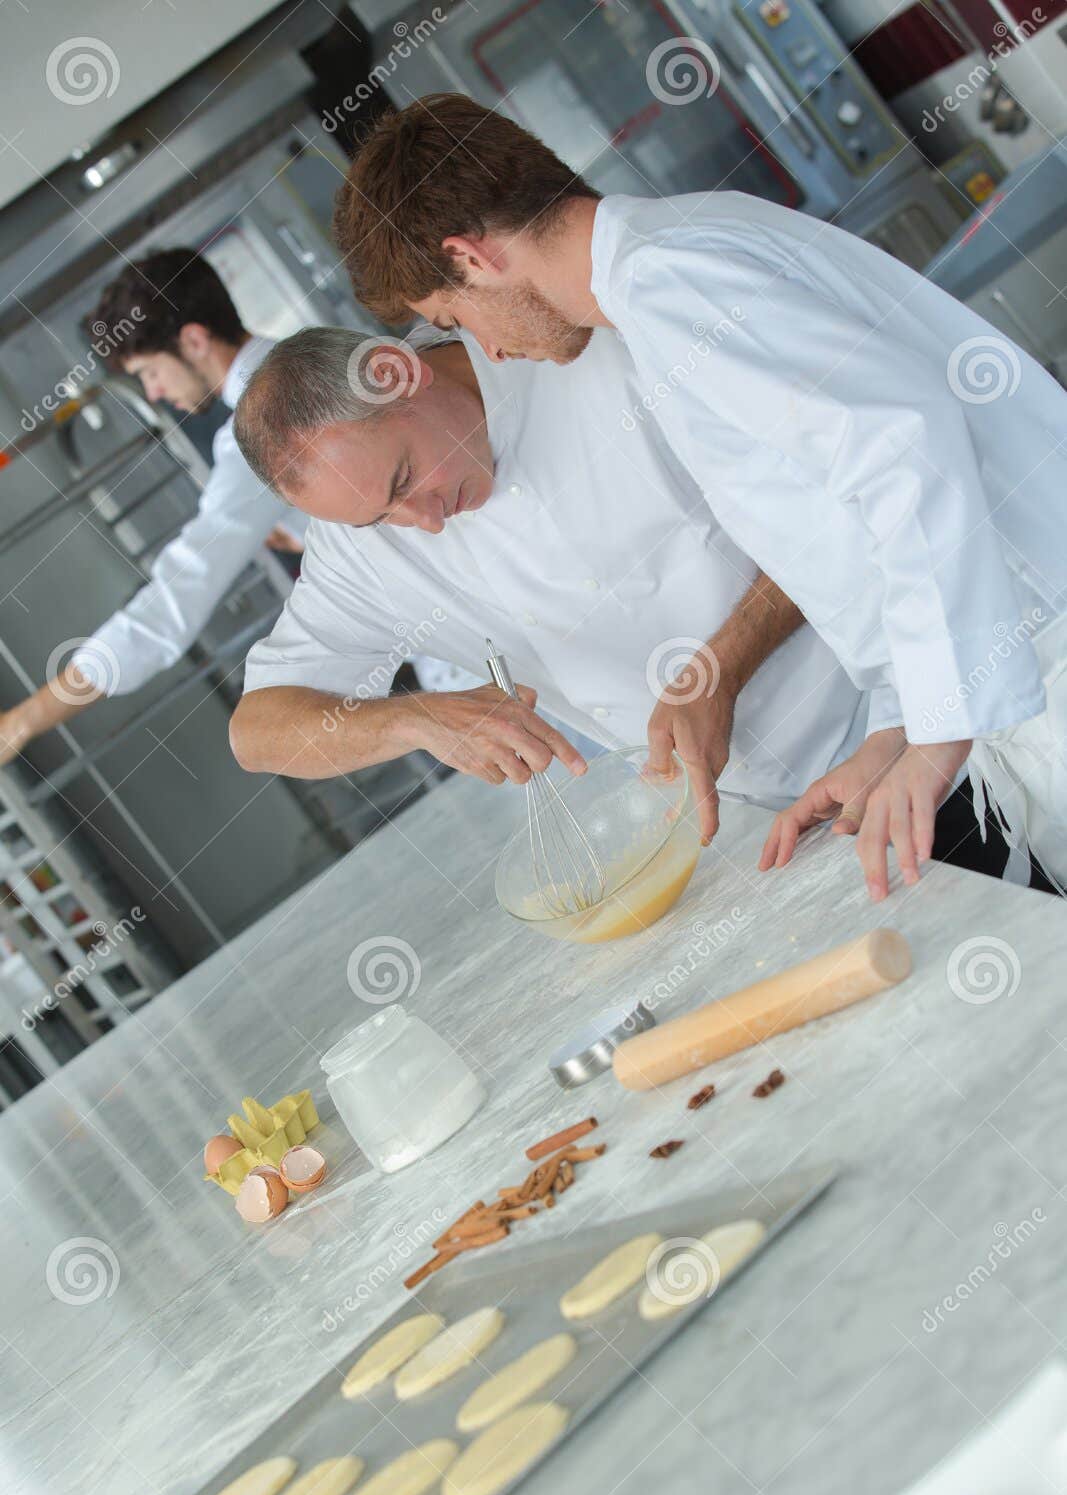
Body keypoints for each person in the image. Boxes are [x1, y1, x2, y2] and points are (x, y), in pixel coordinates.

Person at [332, 94, 1067, 898]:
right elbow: (844, 515)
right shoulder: (670, 255)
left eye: (453, 316)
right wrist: (894, 730)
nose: (489, 348)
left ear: (469, 257)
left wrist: (935, 735)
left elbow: (902, 452)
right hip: (1018, 667)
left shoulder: (666, 284)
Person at [228, 325, 871, 835]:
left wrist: (724, 668)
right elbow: (257, 732)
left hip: (901, 721)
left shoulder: (576, 350)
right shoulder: (357, 544)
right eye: (381, 518)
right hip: (762, 817)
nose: (420, 523)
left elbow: (833, 505)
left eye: (404, 480)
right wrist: (412, 720)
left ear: (402, 375)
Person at [0, 250, 305, 765]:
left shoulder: (259, 427)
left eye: (148, 372)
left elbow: (171, 604)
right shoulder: (307, 358)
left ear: (192, 340)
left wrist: (24, 720)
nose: (154, 392)